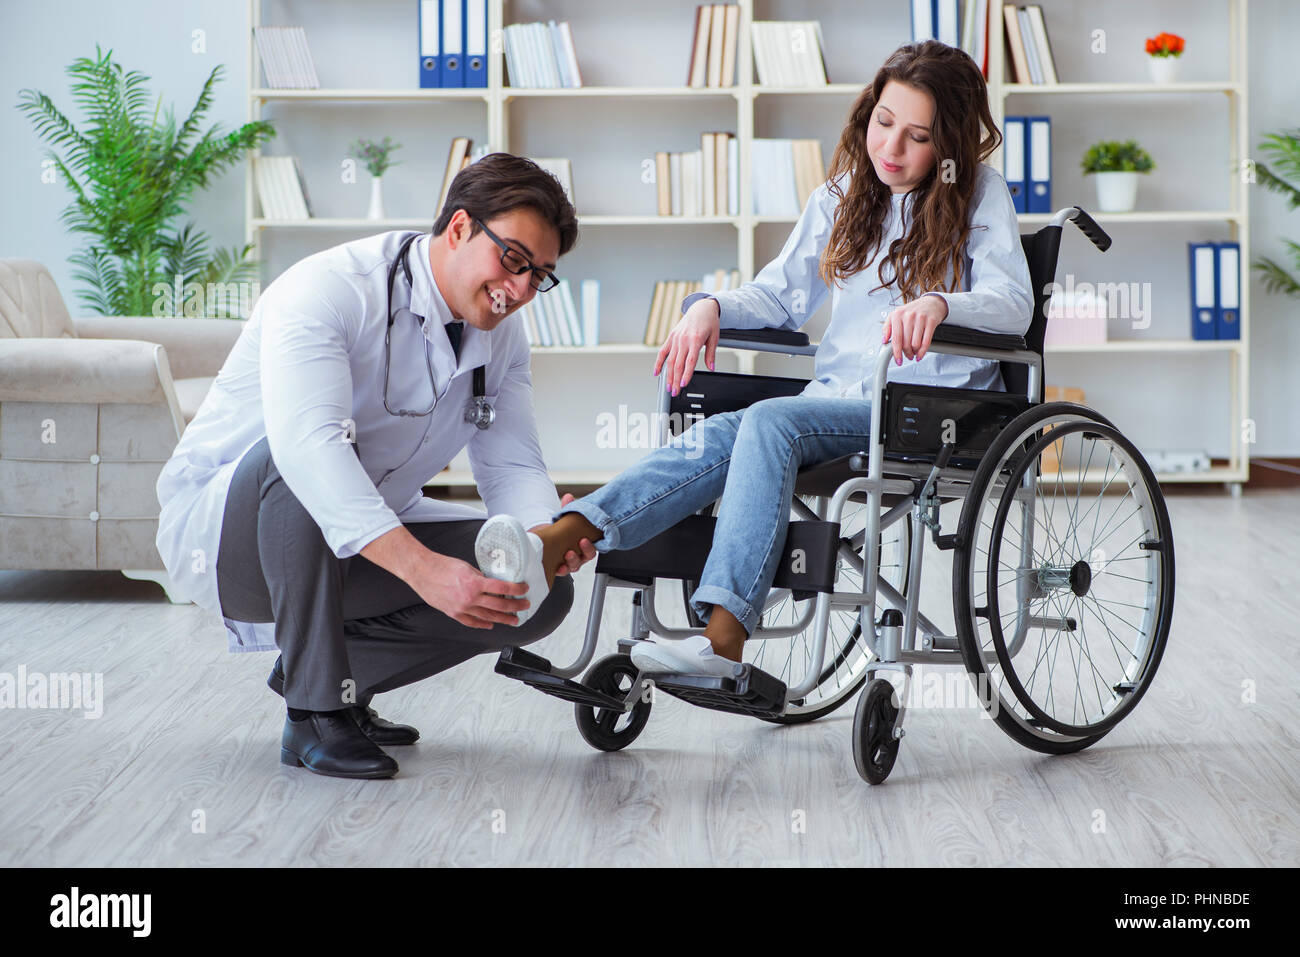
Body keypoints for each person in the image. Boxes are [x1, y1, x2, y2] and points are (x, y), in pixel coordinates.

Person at [513, 40, 1034, 678]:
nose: (890, 148)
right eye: (883, 122)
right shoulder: (844, 195)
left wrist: (940, 304)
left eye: (917, 136)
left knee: (767, 419)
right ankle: (562, 538)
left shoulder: (979, 194)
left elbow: (1013, 303)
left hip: (929, 412)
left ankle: (723, 634)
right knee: (719, 434)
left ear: (948, 144)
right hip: (837, 406)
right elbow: (781, 296)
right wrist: (712, 307)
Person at [155, 154, 598, 780]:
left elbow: (512, 462)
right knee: (297, 462)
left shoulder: (500, 336)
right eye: (516, 260)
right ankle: (313, 713)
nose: (523, 290)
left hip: (361, 538)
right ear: (461, 228)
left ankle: (334, 677)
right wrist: (424, 572)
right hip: (239, 541)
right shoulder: (329, 290)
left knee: (534, 595)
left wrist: (542, 538)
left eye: (542, 276)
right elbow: (309, 450)